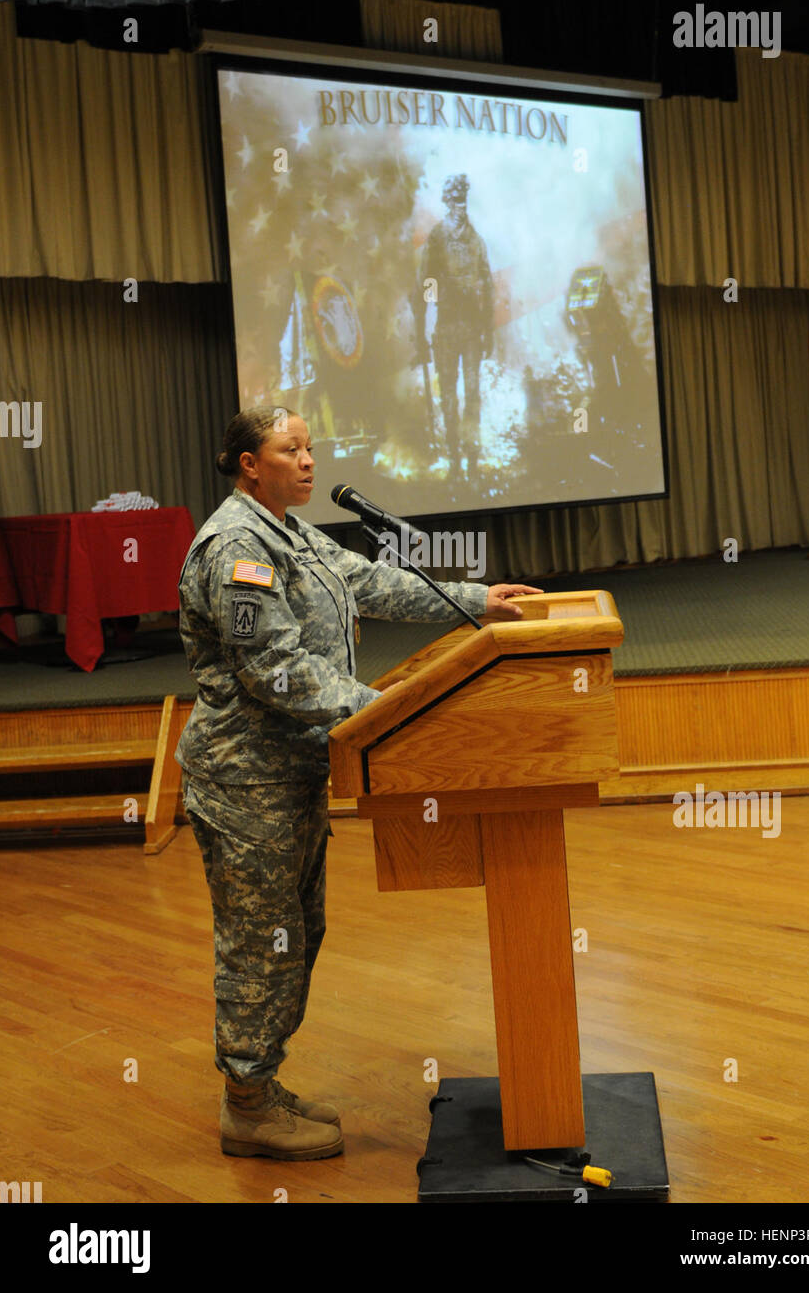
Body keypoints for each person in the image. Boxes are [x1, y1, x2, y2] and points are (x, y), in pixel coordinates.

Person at [176, 405, 542, 1161]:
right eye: (290, 449)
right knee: (259, 947)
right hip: (246, 784)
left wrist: (478, 604)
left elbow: (370, 582)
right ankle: (245, 1105)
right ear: (250, 463)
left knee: (297, 935)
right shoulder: (237, 548)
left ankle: (261, 1082)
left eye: (311, 447)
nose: (308, 461)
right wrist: (387, 710)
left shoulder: (288, 533)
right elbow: (272, 668)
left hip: (293, 774)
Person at [414, 174, 494, 485]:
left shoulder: (476, 241)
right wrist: (421, 335)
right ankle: (455, 463)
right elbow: (421, 288)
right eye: (455, 200)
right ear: (447, 202)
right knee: (449, 396)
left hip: (472, 329)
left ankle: (472, 462)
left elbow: (487, 285)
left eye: (464, 200)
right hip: (446, 328)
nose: (461, 206)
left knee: (472, 394)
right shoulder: (436, 239)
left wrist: (489, 331)